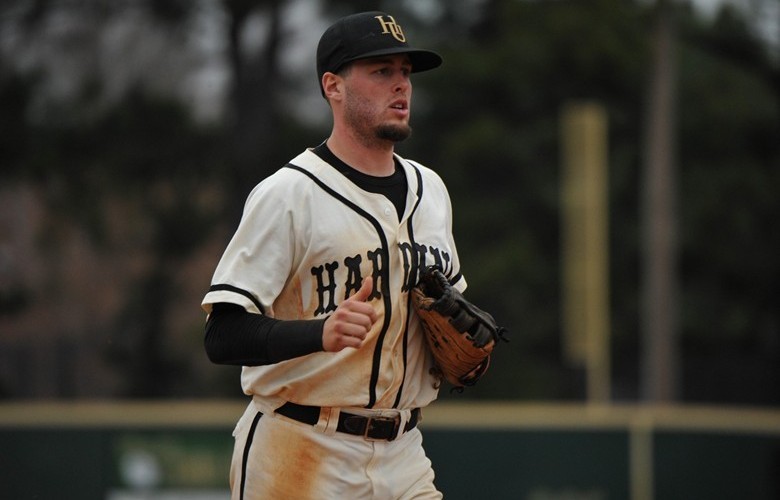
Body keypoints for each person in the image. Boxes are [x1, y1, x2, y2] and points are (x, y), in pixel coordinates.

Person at [202, 11, 465, 499]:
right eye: (381, 71)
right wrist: (319, 333)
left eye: (405, 72)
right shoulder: (287, 195)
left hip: (403, 451)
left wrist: (460, 343)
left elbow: (447, 318)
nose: (400, 86)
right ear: (333, 86)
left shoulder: (431, 190)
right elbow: (222, 334)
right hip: (299, 446)